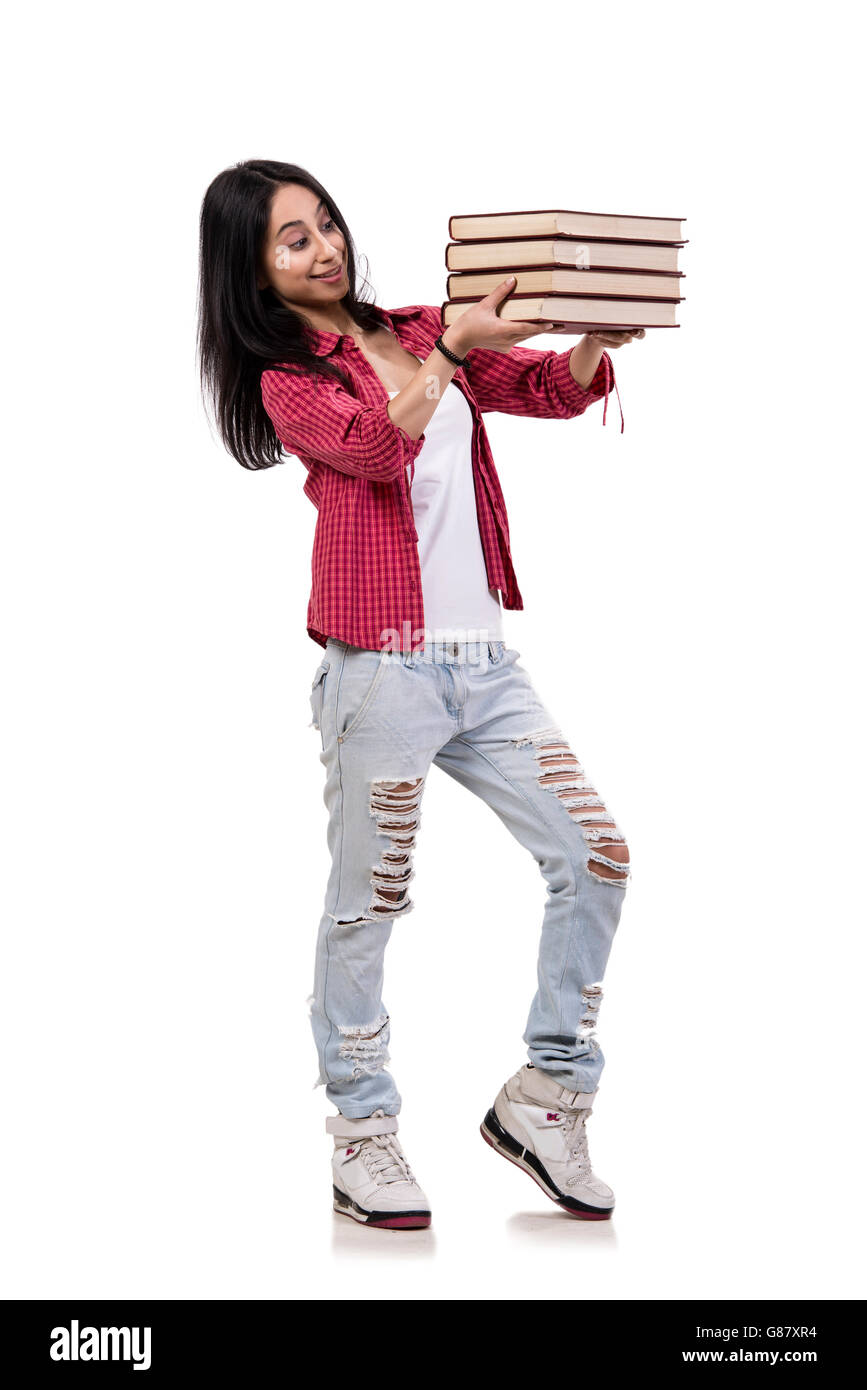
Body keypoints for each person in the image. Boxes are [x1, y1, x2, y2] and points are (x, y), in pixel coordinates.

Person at [197, 159, 645, 1231]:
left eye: (326, 225)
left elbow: (546, 388)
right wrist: (450, 350)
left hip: (484, 665)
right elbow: (372, 445)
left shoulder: (413, 324)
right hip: (382, 666)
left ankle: (548, 1096)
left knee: (596, 854)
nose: (324, 248)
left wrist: (592, 341)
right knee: (371, 902)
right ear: (252, 273)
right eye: (291, 240)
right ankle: (361, 1134)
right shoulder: (288, 378)